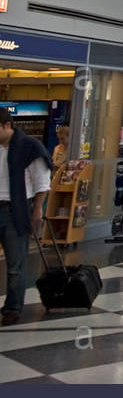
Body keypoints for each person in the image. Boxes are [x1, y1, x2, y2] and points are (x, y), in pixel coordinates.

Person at [0, 108, 52, 327]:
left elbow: (42, 183)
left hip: (16, 210)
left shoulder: (29, 147)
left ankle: (12, 309)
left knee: (15, 263)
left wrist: (37, 210)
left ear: (6, 125)